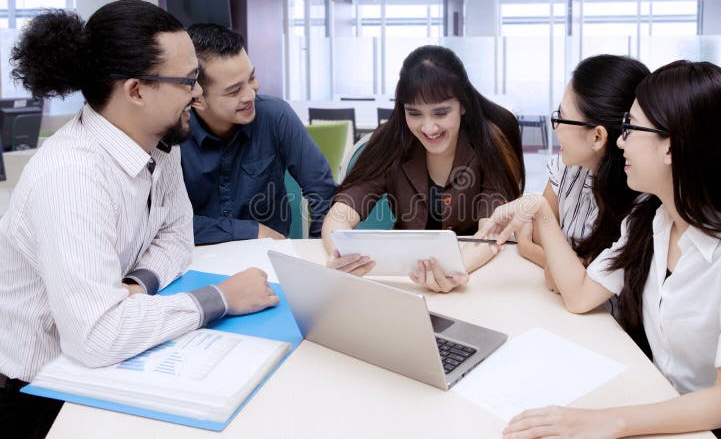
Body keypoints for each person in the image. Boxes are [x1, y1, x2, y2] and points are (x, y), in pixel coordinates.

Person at [0, 0, 278, 439]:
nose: (199, 95)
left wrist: (135, 284)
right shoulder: (73, 176)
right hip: (38, 394)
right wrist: (222, 298)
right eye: (189, 81)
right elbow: (97, 336)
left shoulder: (159, 141)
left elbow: (176, 234)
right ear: (135, 91)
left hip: (97, 372)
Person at [483, 60, 721, 439]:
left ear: (672, 145)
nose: (620, 142)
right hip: (665, 413)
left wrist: (610, 421)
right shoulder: (652, 217)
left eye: (631, 129)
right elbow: (580, 295)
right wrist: (540, 213)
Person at [322, 45, 525, 293]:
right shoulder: (393, 140)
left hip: (475, 276)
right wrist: (339, 253)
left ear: (463, 105)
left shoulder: (488, 141)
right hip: (404, 282)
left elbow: (490, 232)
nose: (428, 128)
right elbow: (341, 212)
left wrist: (456, 269)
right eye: (414, 113)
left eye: (441, 113)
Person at [180, 23, 336, 245]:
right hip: (195, 258)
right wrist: (247, 230)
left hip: (269, 257)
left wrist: (316, 252)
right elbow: (166, 224)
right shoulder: (173, 135)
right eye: (234, 91)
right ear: (196, 98)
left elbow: (322, 191)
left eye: (251, 78)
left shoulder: (275, 115)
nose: (250, 94)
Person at [516, 55, 649, 276]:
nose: (555, 128)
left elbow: (584, 277)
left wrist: (528, 249)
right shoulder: (567, 164)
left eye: (562, 118)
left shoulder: (641, 202)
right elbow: (540, 229)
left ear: (597, 137)